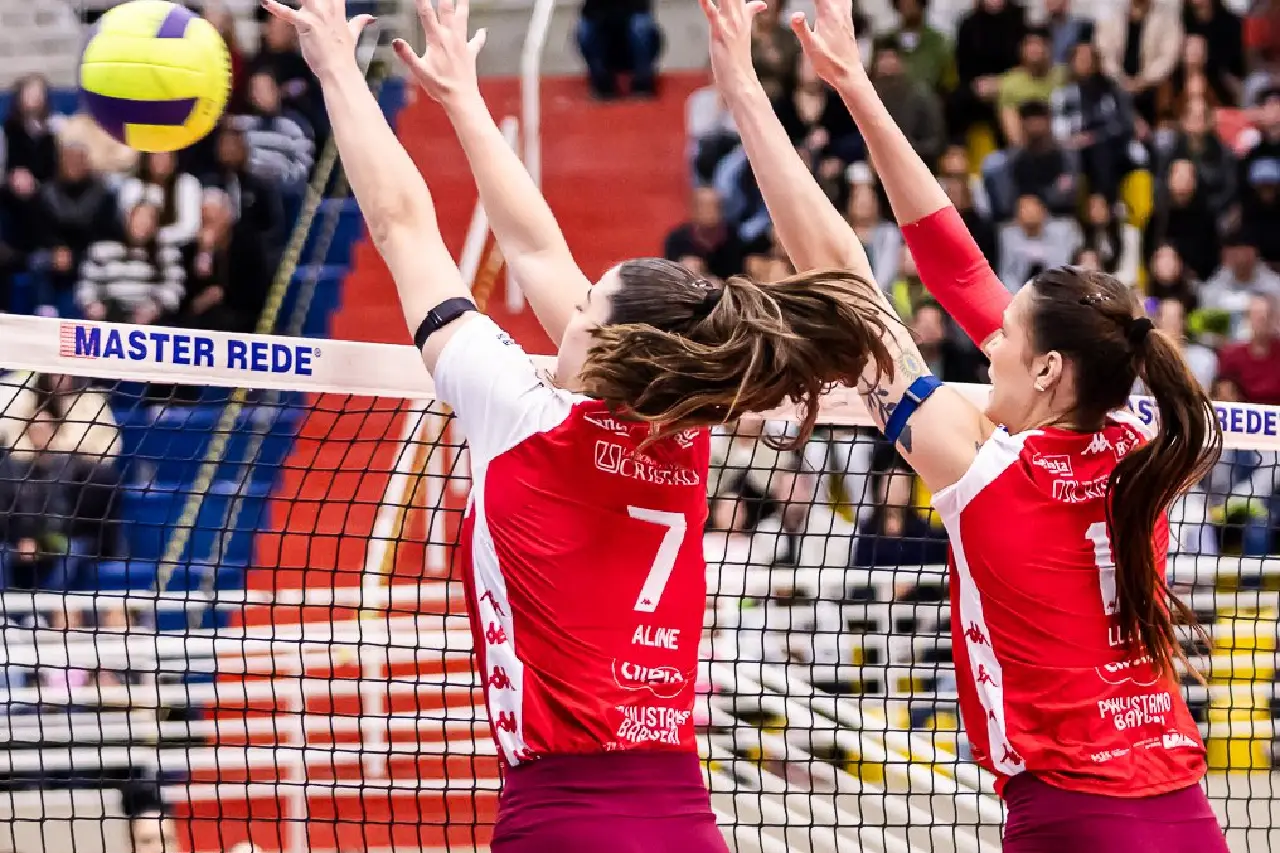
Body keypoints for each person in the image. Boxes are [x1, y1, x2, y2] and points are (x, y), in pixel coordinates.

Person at [262, 0, 899, 849]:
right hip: (682, 810)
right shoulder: (685, 427)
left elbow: (402, 224)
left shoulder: (520, 417)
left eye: (583, 306)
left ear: (610, 346)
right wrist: (461, 99)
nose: (566, 309)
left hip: (562, 816)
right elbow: (534, 248)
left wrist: (338, 67)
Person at [700, 0, 1228, 849]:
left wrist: (742, 88)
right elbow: (961, 265)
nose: (989, 350)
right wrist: (854, 82)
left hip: (1073, 817)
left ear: (1050, 369)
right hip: (1184, 806)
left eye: (1005, 340)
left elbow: (840, 275)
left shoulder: (983, 472)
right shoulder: (1134, 433)